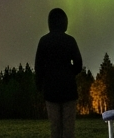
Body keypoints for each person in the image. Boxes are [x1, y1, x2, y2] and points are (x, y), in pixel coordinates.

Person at [35, 7, 84, 138]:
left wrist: (40, 85)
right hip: (69, 89)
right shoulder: (70, 40)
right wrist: (70, 73)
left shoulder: (44, 41)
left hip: (50, 90)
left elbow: (38, 67)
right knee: (68, 129)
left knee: (55, 128)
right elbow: (78, 63)